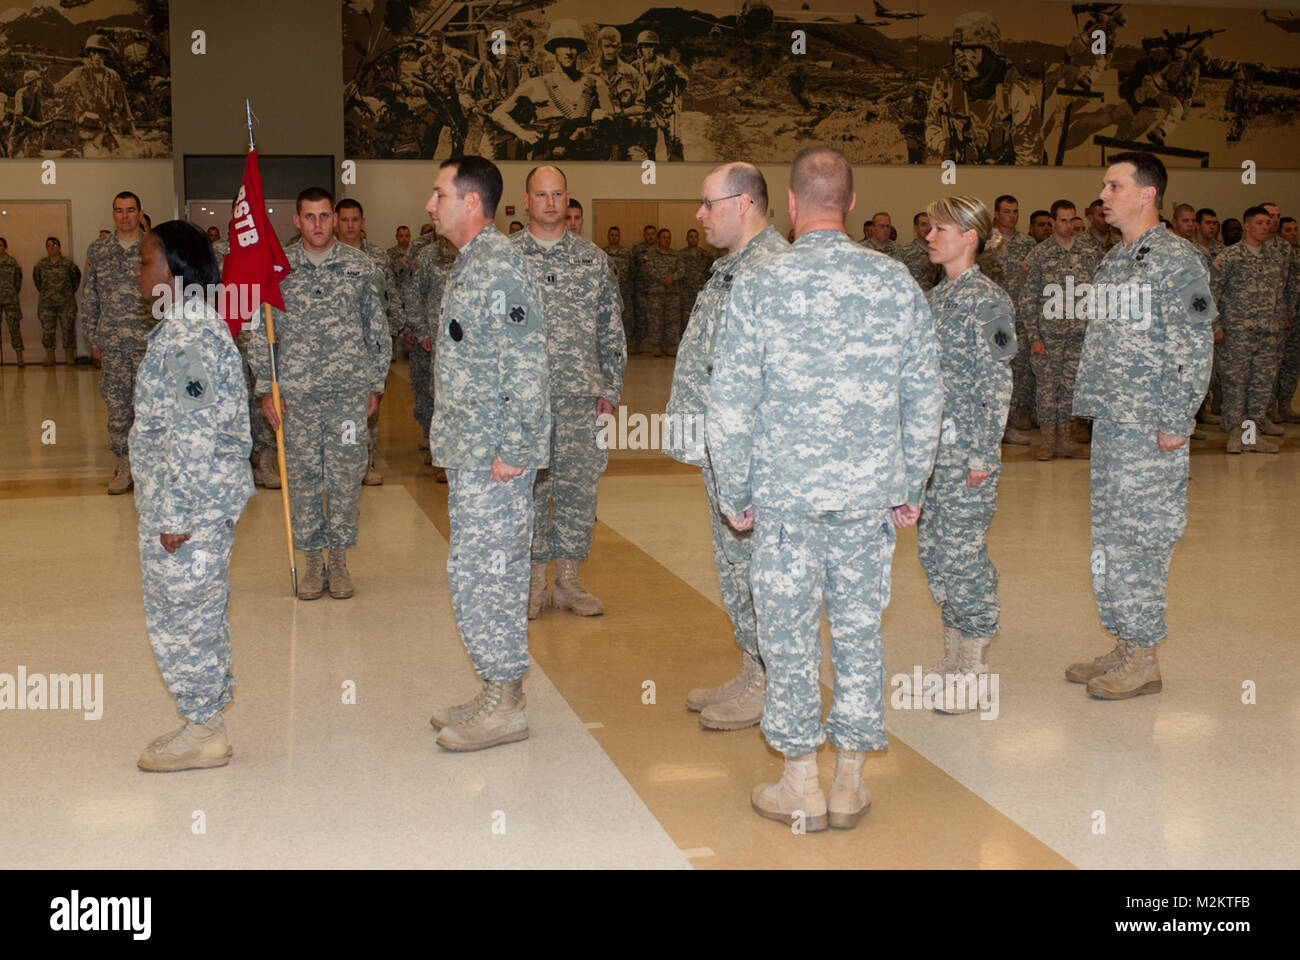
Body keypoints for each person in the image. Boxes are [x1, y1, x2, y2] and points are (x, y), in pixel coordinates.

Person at [707, 146, 943, 831]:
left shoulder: (760, 283)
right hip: (868, 498)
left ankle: (799, 782)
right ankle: (849, 782)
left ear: (790, 201)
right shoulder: (895, 281)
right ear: (851, 201)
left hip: (782, 501)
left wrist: (734, 490)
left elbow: (730, 402)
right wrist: (911, 484)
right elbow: (925, 394)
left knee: (788, 638)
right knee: (860, 632)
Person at [1066, 152, 1214, 699]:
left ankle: (1145, 656)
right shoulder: (1116, 259)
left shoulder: (1178, 259)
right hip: (1113, 418)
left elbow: (1192, 343)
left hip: (1151, 424)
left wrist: (1177, 419)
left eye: (1114, 185)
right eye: (1104, 184)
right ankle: (1127, 641)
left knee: (1144, 535)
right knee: (1110, 533)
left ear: (1146, 194)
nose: (1103, 194)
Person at [425, 156, 550, 751]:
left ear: (470, 202)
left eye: (439, 192)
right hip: (472, 452)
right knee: (474, 572)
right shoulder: (471, 264)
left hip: (494, 459)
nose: (431, 203)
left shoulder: (499, 267)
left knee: (492, 575)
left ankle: (507, 703)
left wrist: (516, 451)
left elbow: (525, 366)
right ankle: (496, 687)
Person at [665, 161, 786, 731]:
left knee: (762, 568)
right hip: (725, 451)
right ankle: (751, 665)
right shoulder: (731, 268)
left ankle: (773, 684)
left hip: (756, 458)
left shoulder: (773, 271)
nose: (698, 213)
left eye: (708, 203)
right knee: (737, 565)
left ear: (742, 204)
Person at [129, 220, 255, 772]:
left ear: (174, 271)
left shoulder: (187, 334)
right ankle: (204, 719)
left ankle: (204, 728)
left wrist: (176, 511)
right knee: (194, 608)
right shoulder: (186, 325)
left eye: (144, 261)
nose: (138, 272)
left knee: (186, 612)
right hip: (191, 496)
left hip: (190, 502)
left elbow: (196, 429)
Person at [249, 187, 389, 600]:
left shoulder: (359, 268)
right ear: (296, 221)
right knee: (305, 479)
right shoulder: (279, 269)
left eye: (324, 216)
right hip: (297, 396)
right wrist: (265, 389)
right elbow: (260, 333)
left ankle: (341, 563)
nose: (317, 224)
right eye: (309, 217)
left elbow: (376, 330)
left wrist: (375, 383)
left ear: (336, 218)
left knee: (345, 478)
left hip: (348, 395)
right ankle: (312, 564)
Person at [511, 166, 625, 619]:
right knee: (530, 490)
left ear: (568, 199)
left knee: (579, 488)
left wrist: (610, 391)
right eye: (542, 194)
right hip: (526, 399)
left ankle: (569, 580)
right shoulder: (507, 258)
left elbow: (610, 329)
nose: (551, 202)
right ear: (527, 201)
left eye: (557, 194)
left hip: (582, 396)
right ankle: (535, 580)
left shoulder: (593, 259)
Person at [918, 195, 1016, 712]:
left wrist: (982, 453)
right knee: (936, 553)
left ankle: (974, 669)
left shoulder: (988, 300)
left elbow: (996, 382)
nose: (930, 236)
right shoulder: (937, 299)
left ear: (970, 236)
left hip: (965, 455)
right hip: (933, 456)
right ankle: (955, 657)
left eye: (941, 228)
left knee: (963, 557)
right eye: (929, 228)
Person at [80, 190, 153, 492]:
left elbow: (167, 293)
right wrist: (92, 337)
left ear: (139, 213)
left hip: (148, 343)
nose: (125, 216)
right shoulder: (99, 250)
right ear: (113, 214)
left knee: (149, 409)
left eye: (130, 210)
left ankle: (147, 469)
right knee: (118, 407)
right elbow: (90, 297)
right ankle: (124, 468)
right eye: (119, 210)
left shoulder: (153, 248)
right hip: (112, 344)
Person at [1020, 199, 1100, 459]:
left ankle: (1066, 439)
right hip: (1047, 335)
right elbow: (1028, 298)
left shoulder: (1087, 253)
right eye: (1062, 220)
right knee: (1046, 387)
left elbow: (1096, 293)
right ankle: (1047, 441)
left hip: (1078, 334)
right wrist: (1034, 336)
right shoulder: (1040, 254)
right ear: (1053, 222)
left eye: (1072, 219)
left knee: (1070, 387)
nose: (1068, 225)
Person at [1212, 206, 1295, 453]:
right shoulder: (1229, 257)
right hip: (1237, 333)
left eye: (1268, 223)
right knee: (1236, 384)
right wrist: (1215, 326)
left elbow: (1280, 292)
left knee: (1261, 385)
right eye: (1260, 222)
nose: (1266, 226)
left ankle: (1252, 434)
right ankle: (1235, 433)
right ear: (1247, 226)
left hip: (1268, 333)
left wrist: (1281, 321)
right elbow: (1211, 293)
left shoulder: (1275, 257)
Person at [336, 198, 402, 485]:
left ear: (362, 222)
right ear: (336, 222)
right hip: (338, 345)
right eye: (345, 220)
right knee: (339, 406)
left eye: (355, 219)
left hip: (371, 343)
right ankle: (343, 462)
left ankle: (367, 462)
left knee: (370, 405)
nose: (350, 225)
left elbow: (392, 293)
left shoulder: (377, 257)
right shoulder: (329, 256)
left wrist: (394, 328)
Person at [924, 12, 1043, 165]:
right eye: (956, 49)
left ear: (989, 51)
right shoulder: (947, 84)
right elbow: (932, 125)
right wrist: (943, 144)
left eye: (968, 49)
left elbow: (1029, 158)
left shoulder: (1016, 92)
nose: (959, 56)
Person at [491, 20, 614, 160]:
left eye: (573, 46)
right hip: (547, 158)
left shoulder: (595, 83)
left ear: (579, 50)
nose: (568, 52)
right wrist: (522, 133)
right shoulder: (537, 84)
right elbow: (498, 114)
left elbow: (614, 129)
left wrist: (601, 118)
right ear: (554, 49)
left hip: (585, 157)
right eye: (562, 46)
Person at [977, 195, 1036, 443]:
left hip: (1020, 317)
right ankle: (988, 427)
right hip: (993, 316)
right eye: (1007, 211)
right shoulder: (986, 242)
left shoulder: (1028, 243)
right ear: (996, 214)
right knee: (991, 372)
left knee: (1017, 373)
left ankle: (1008, 426)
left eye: (1015, 211)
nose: (1012, 216)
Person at [402, 224, 458, 477]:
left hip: (473, 346)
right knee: (439, 400)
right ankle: (444, 458)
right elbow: (414, 297)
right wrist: (422, 332)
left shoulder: (478, 254)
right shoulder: (428, 256)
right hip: (437, 342)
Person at [32, 237, 81, 366]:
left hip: (66, 303)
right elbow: (38, 282)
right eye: (48, 245)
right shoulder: (41, 265)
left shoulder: (68, 264)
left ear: (59, 246)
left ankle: (69, 356)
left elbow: (75, 280)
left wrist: (66, 293)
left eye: (54, 244)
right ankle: (50, 356)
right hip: (47, 304)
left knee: (68, 329)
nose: (51, 247)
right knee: (47, 330)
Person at [640, 228, 684, 356]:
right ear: (659, 239)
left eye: (669, 237)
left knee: (672, 320)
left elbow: (682, 269)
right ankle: (656, 346)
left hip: (672, 293)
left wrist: (672, 278)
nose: (667, 240)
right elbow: (648, 269)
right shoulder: (650, 254)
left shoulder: (676, 254)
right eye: (664, 237)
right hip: (656, 293)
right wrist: (663, 279)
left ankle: (671, 346)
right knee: (655, 320)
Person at [677, 227, 714, 335]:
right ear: (687, 239)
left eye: (695, 237)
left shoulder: (705, 255)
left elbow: (709, 273)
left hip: (700, 291)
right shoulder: (680, 254)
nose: (693, 239)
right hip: (685, 291)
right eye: (691, 237)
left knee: (700, 316)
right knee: (685, 317)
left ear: (698, 239)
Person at [602, 225, 635, 344]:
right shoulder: (602, 253)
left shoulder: (627, 253)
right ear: (608, 237)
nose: (614, 237)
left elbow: (633, 272)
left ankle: (627, 344)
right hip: (608, 293)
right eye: (612, 235)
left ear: (619, 237)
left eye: (616, 235)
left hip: (625, 292)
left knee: (627, 319)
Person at [898, 212, 941, 292]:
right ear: (915, 228)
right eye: (923, 224)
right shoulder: (904, 252)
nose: (928, 228)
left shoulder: (940, 252)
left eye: (930, 225)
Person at [0, 238, 21, 365]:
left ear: (6, 247)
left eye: (1, 245)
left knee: (14, 326)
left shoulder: (12, 262)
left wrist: (12, 292)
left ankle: (19, 356)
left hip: (10, 298)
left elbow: (18, 281)